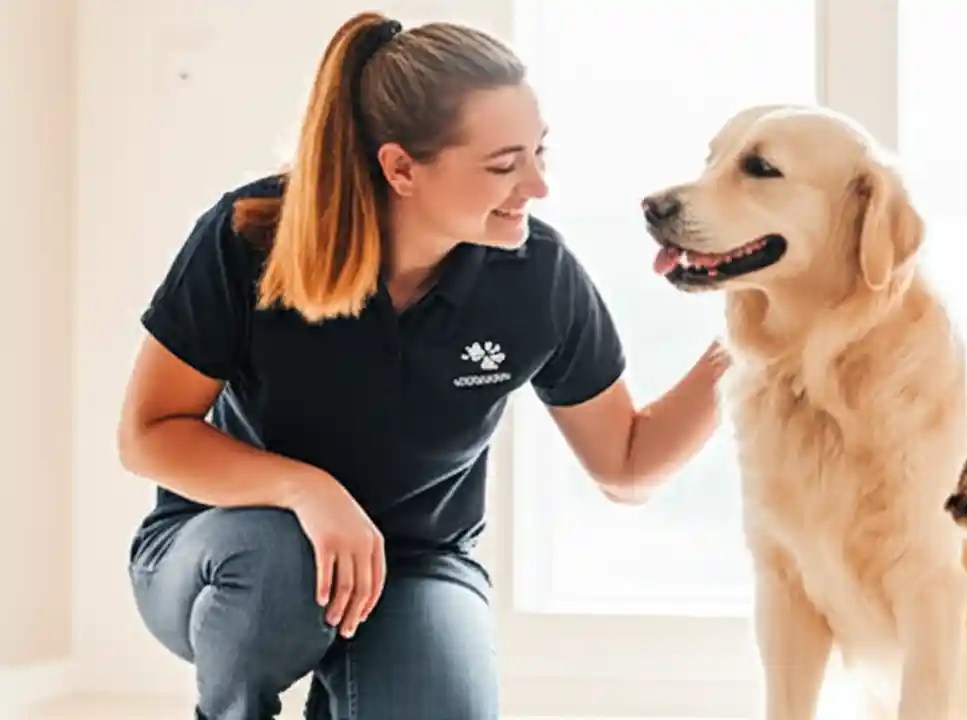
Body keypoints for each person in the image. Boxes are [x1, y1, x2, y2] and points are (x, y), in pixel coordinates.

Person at [116, 12, 724, 720]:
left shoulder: (535, 275)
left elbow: (626, 463)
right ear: (401, 167)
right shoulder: (251, 234)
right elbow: (149, 432)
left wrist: (749, 347)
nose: (536, 187)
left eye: (538, 154)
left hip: (416, 566)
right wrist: (308, 492)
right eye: (504, 165)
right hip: (231, 548)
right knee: (279, 560)